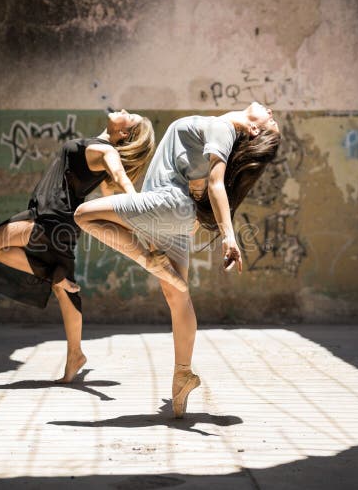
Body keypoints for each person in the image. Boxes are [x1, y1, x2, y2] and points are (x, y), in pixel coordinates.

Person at [73, 101, 281, 417]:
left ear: (252, 130)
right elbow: (201, 184)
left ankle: (148, 260)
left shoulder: (224, 129)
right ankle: (182, 375)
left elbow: (214, 184)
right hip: (178, 216)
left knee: (84, 216)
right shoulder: (216, 129)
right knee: (178, 296)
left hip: (164, 205)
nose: (270, 110)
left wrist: (228, 236)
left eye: (270, 119)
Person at [0, 110, 155, 383]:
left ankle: (53, 279)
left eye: (129, 116)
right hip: (62, 223)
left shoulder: (109, 153)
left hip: (50, 219)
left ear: (123, 133)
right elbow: (110, 196)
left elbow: (121, 181)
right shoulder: (97, 148)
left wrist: (139, 210)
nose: (123, 110)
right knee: (67, 292)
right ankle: (76, 354)